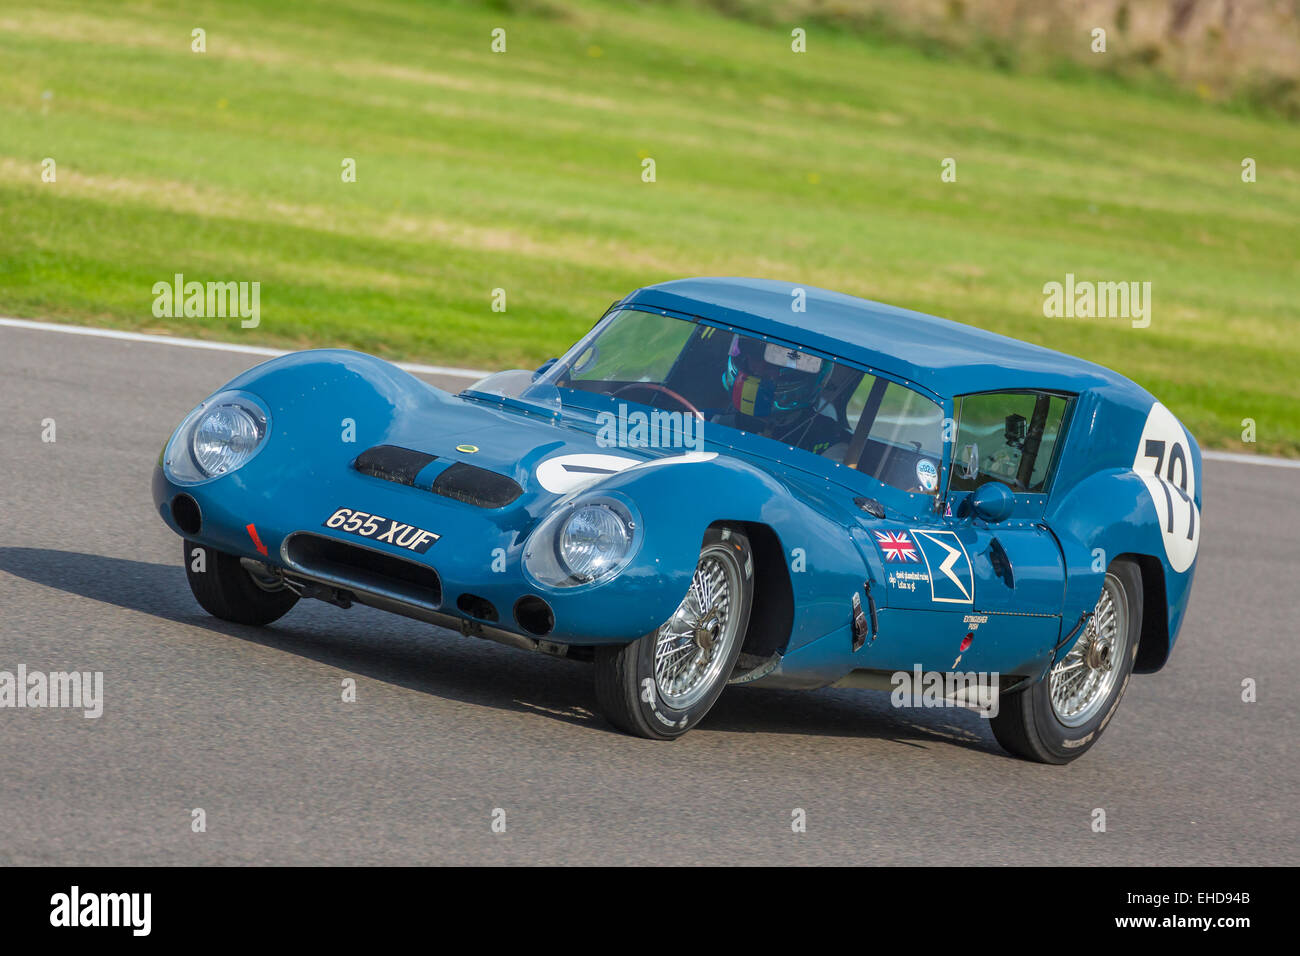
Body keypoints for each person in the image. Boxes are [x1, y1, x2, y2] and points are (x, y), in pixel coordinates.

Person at [715, 335, 850, 457]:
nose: (760, 369)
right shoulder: (710, 421)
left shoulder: (829, 444)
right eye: (755, 354)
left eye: (777, 361)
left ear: (800, 372)